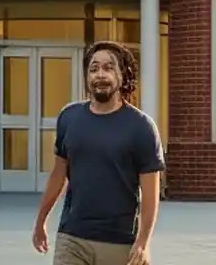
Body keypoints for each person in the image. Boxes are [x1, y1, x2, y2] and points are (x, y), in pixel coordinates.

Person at [33, 41, 164, 265]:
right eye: (94, 69)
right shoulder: (69, 117)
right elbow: (58, 175)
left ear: (123, 74)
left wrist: (143, 243)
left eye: (108, 68)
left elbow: (150, 193)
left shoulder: (141, 127)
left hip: (120, 243)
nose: (100, 75)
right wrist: (40, 221)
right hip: (72, 237)